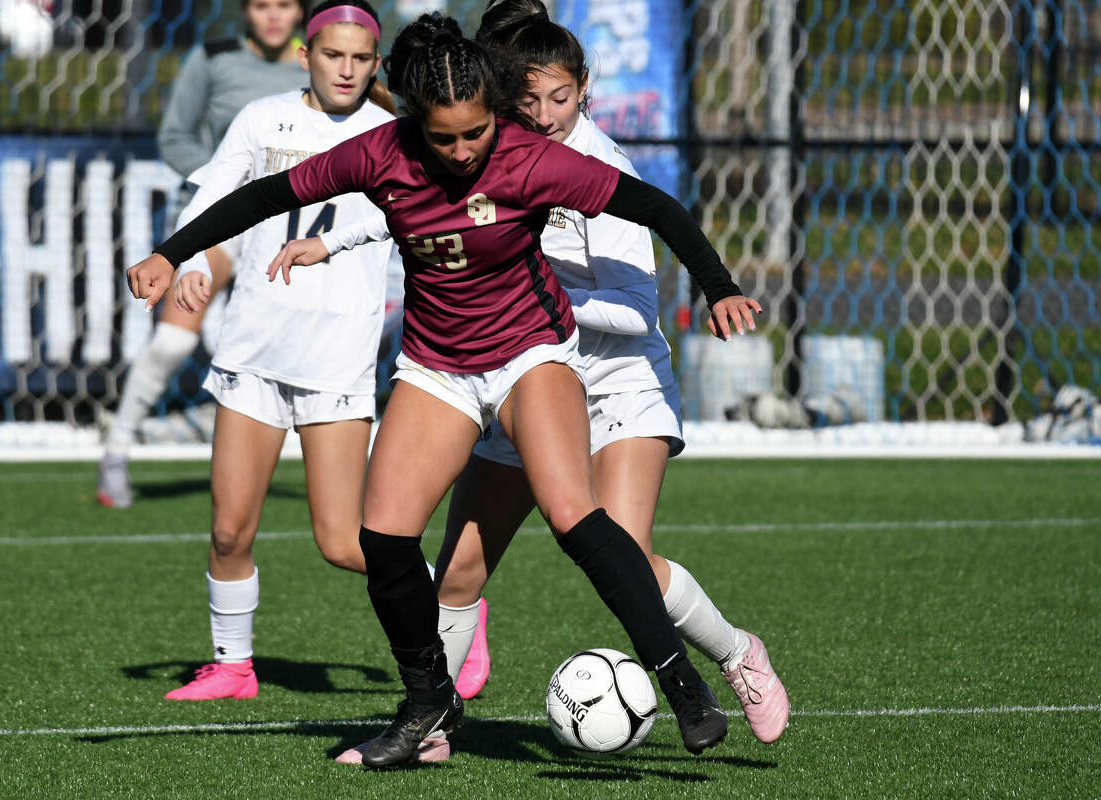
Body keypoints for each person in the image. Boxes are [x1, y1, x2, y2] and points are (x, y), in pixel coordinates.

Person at [127, 13, 759, 768]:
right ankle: (428, 700)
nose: (463, 151)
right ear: (411, 122)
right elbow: (262, 197)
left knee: (572, 516)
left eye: (476, 134)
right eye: (445, 138)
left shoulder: (531, 160)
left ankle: (681, 682)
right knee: (383, 535)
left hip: (531, 353)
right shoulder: (379, 152)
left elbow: (655, 208)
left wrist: (717, 286)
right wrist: (171, 252)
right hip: (438, 366)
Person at [309, 0, 789, 759]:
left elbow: (637, 307)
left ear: (584, 90)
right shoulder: (492, 153)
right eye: (523, 100)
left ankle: (733, 654)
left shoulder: (595, 170)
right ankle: (434, 723)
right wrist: (334, 243)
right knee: (460, 566)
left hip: (615, 379)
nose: (540, 113)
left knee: (623, 550)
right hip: (518, 372)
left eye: (556, 98)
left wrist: (530, 284)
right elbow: (422, 212)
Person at [154, 0, 401, 702]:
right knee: (229, 530)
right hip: (253, 352)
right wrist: (189, 259)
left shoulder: (395, 137)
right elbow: (213, 191)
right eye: (333, 56)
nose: (347, 69)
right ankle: (232, 666)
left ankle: (455, 603)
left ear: (375, 63)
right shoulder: (262, 120)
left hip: (335, 359)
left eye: (360, 58)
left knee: (345, 543)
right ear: (305, 56)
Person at [96, 0, 312, 509]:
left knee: (296, 341)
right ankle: (116, 452)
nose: (274, 16)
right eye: (262, 5)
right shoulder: (214, 59)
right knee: (173, 341)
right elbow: (174, 136)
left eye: (285, 5)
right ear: (245, 11)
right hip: (217, 219)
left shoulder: (318, 61)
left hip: (289, 224)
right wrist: (224, 181)